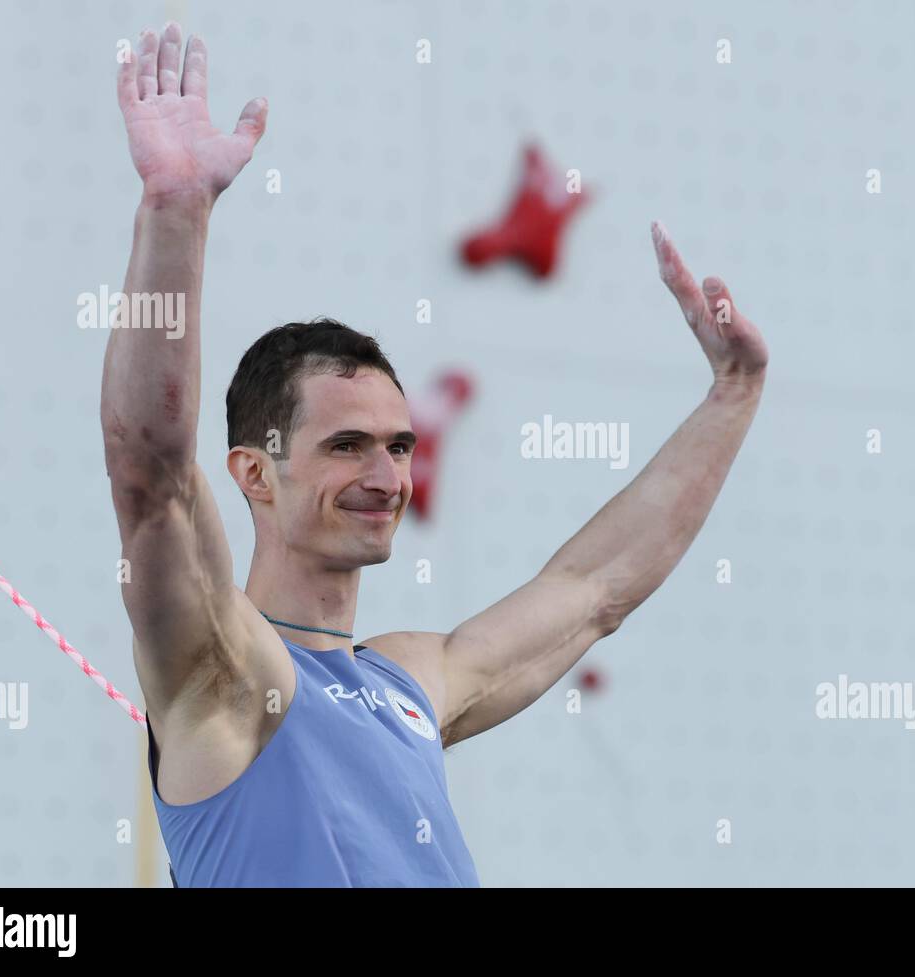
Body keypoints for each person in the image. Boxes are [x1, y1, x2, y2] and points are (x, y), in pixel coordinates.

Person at [103, 22, 769, 887]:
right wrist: (175, 211)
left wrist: (734, 394)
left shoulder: (409, 681)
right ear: (254, 471)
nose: (386, 478)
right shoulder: (226, 674)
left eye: (400, 446)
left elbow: (596, 589)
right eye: (346, 446)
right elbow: (149, 472)